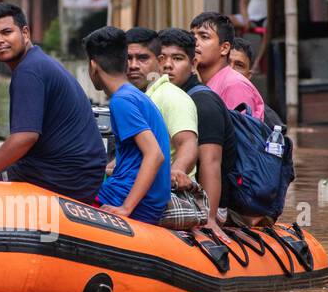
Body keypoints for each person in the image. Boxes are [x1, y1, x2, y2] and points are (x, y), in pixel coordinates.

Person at [0, 3, 106, 203]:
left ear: (25, 33)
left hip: (68, 177)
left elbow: (25, 137)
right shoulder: (37, 62)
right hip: (79, 174)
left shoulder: (29, 71)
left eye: (6, 32)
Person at [84, 27, 169, 223]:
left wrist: (125, 208)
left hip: (130, 201)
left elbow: (154, 155)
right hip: (148, 201)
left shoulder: (121, 101)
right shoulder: (135, 95)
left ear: (93, 66)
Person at [157, 27, 234, 231]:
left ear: (193, 64)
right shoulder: (167, 95)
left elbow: (211, 162)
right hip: (180, 190)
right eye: (162, 58)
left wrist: (208, 219)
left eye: (177, 58)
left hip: (211, 203)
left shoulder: (203, 102)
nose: (167, 65)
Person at [125, 27, 198, 189]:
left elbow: (187, 144)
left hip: (166, 198)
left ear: (158, 62)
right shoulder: (138, 98)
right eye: (128, 58)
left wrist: (175, 173)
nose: (133, 65)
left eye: (142, 58)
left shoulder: (171, 96)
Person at [190, 10, 265, 121]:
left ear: (224, 48)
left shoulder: (234, 85)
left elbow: (241, 136)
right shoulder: (205, 83)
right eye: (192, 37)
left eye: (204, 37)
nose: (195, 43)